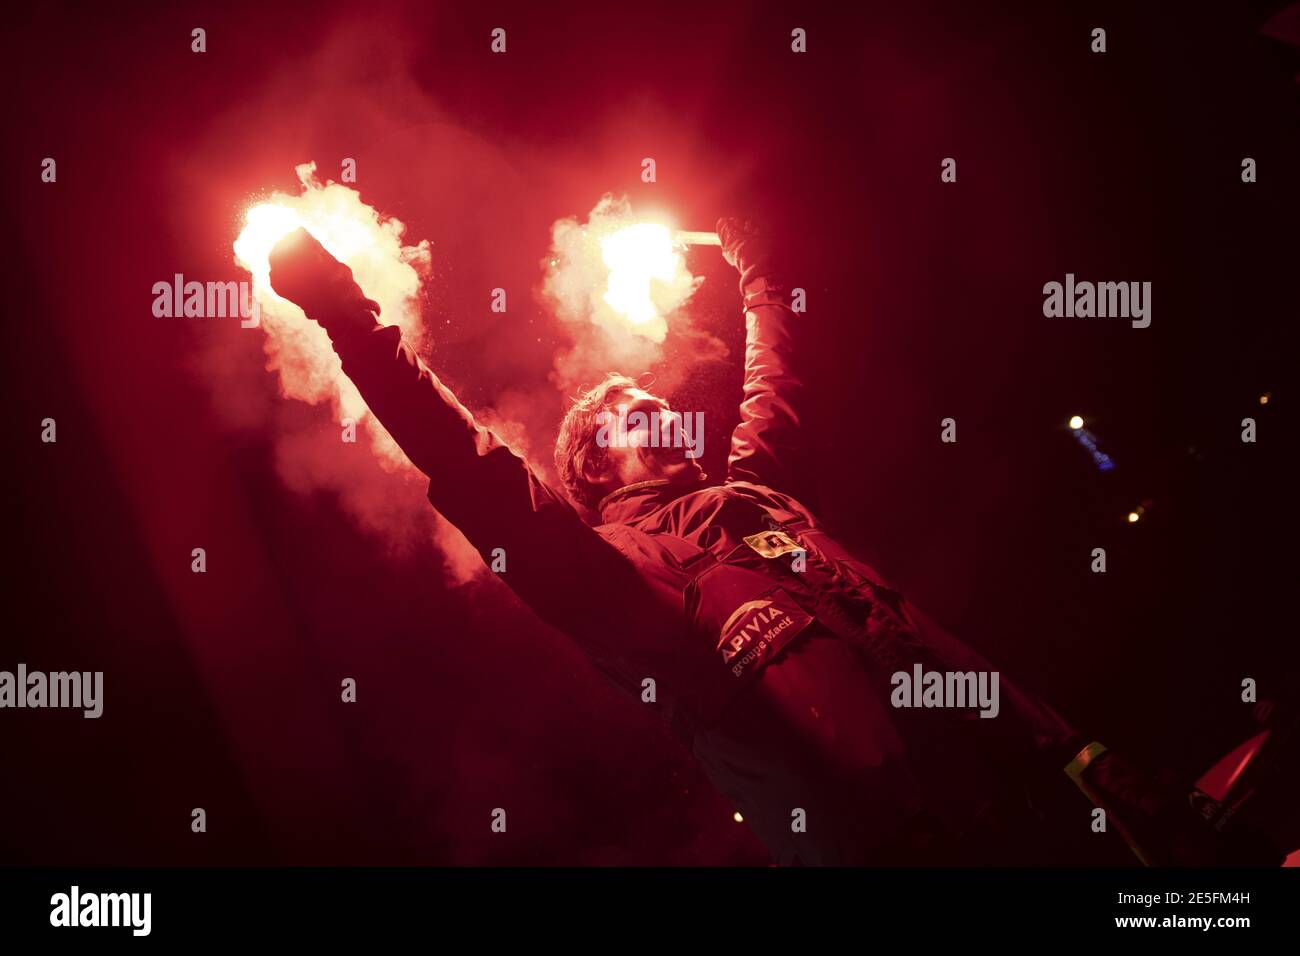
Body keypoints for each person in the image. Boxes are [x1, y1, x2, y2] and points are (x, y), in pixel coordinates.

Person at [266, 218, 1273, 866]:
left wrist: (749, 251)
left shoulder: (760, 495)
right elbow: (467, 461)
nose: (649, 398)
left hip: (1071, 807)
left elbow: (781, 357)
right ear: (587, 471)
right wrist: (344, 312)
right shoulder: (614, 576)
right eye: (620, 409)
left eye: (647, 393)